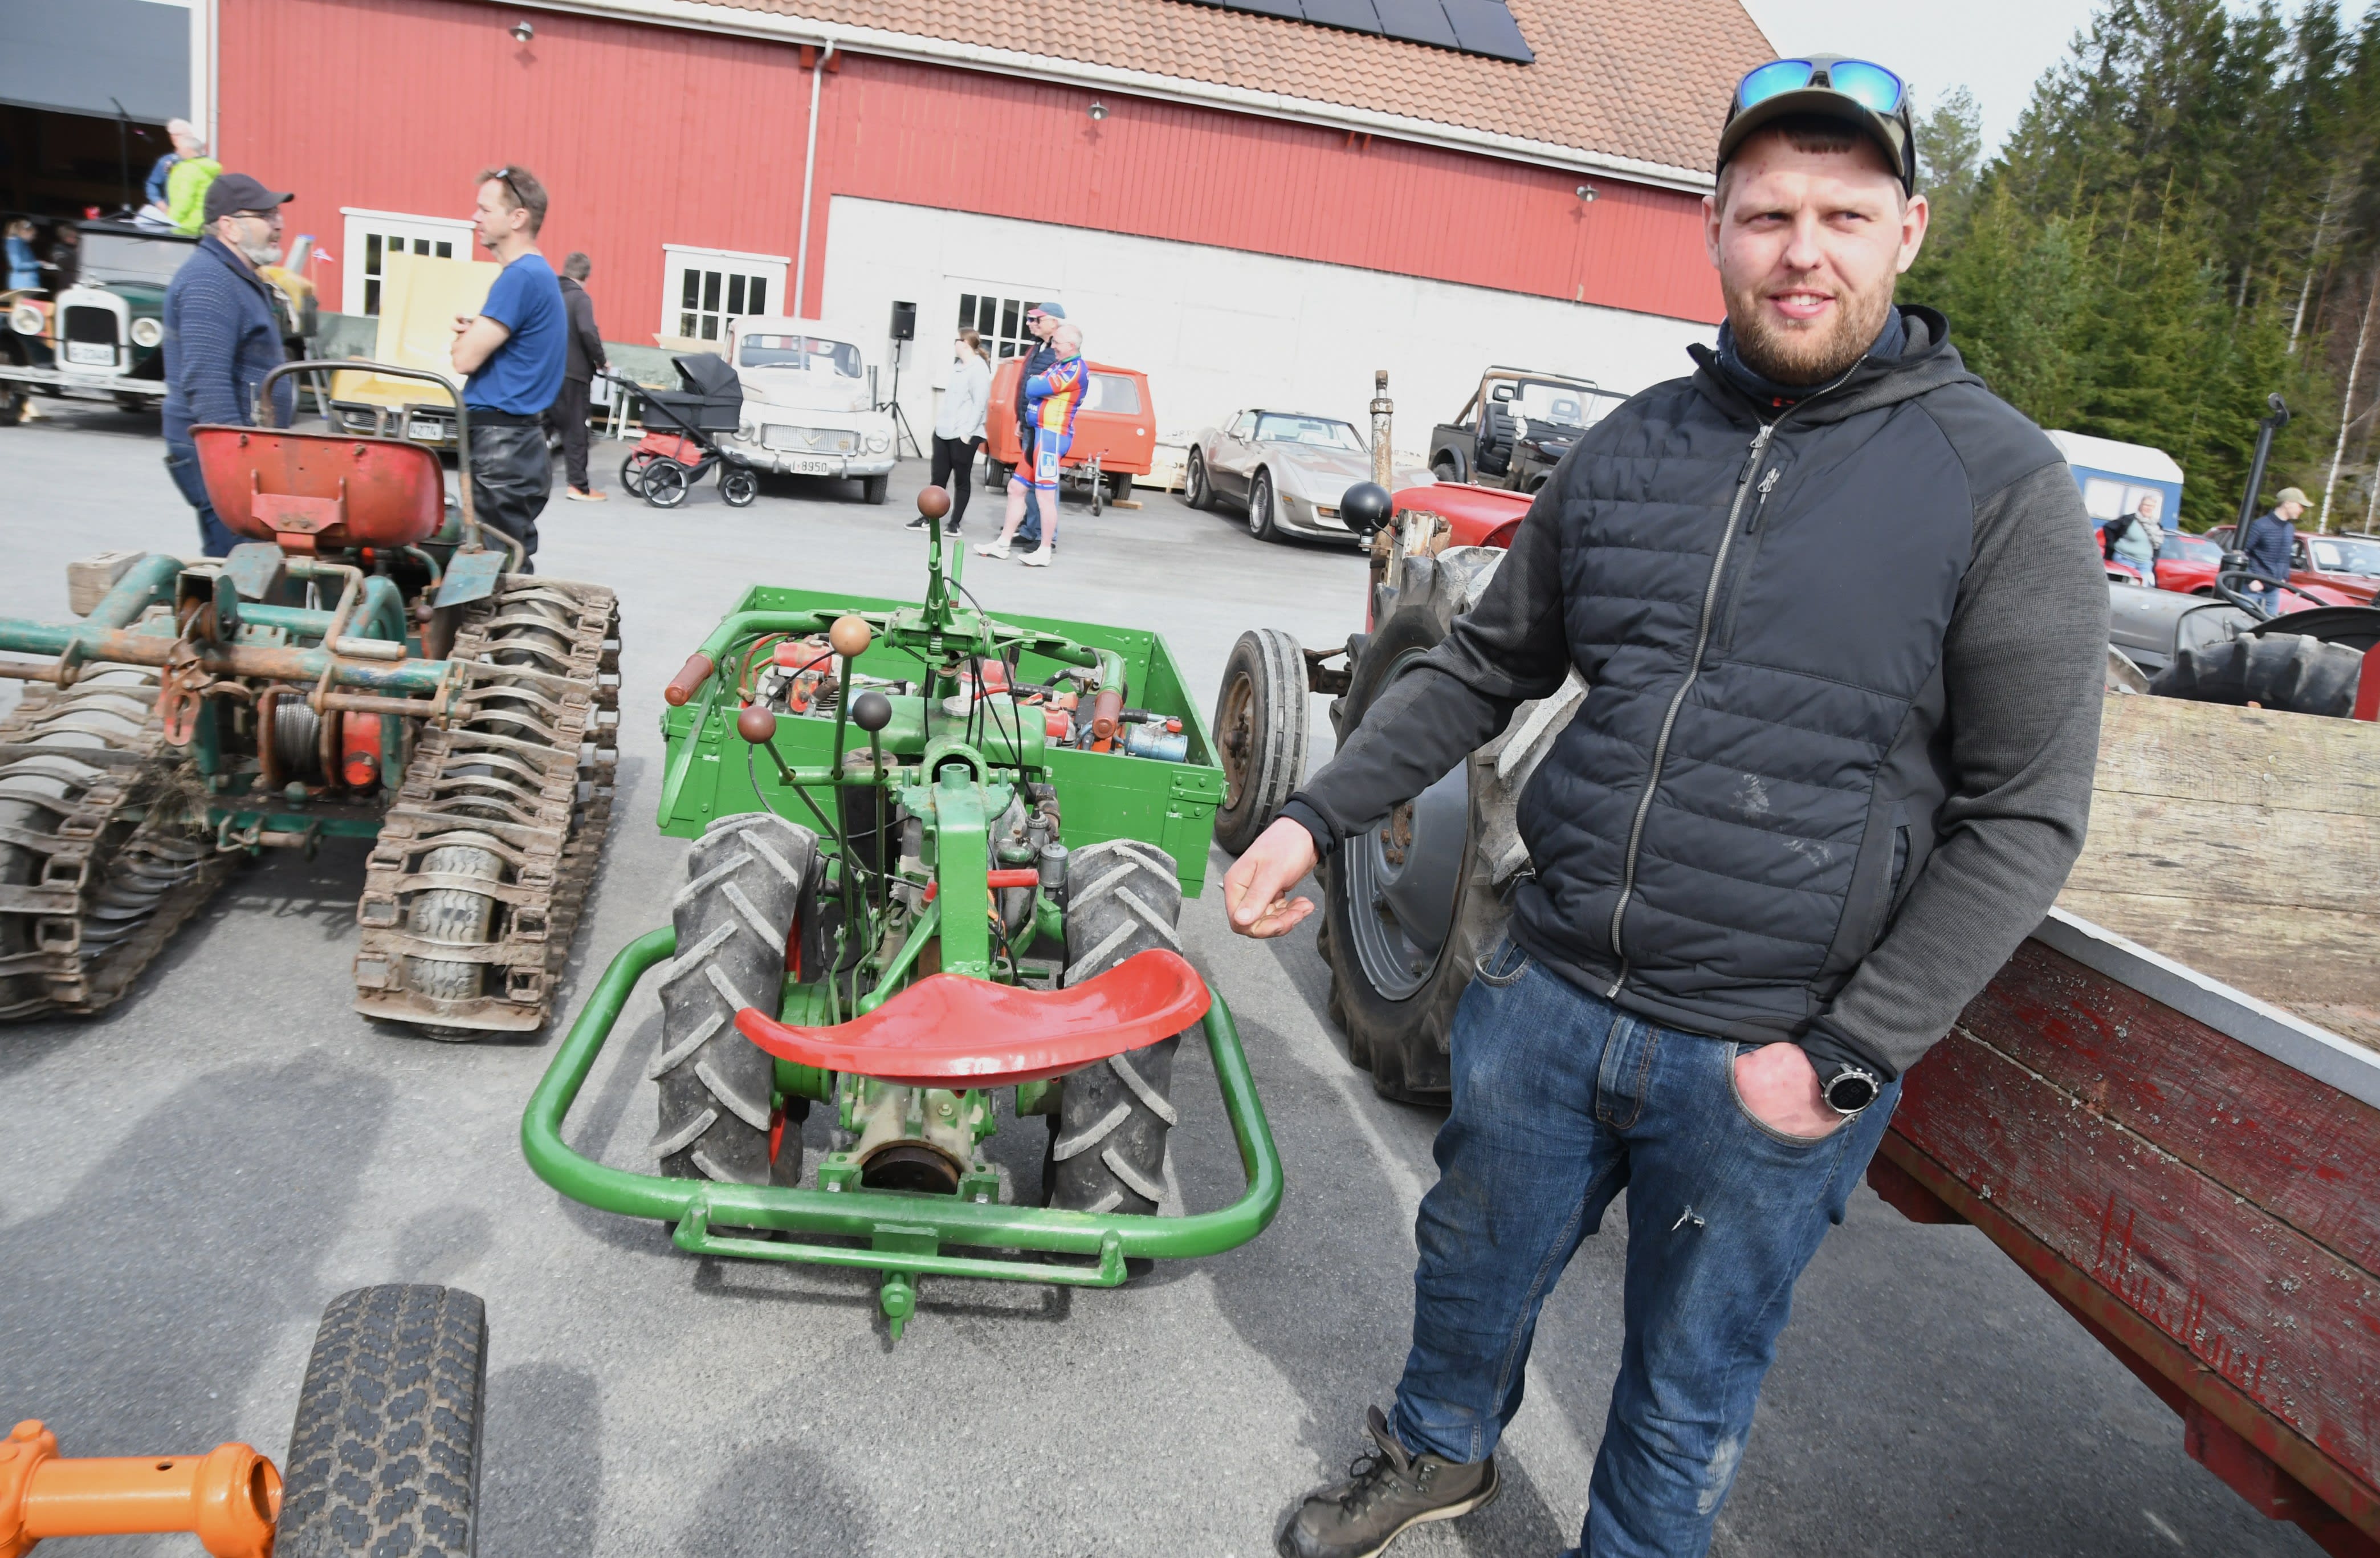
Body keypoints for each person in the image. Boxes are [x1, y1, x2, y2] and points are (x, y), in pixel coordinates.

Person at [1232, 55, 2106, 1558]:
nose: (1803, 248)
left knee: (1689, 1383)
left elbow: (2025, 816)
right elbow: (1483, 665)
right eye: (1768, 212)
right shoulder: (1638, 446)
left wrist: (1847, 1053)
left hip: (1771, 1040)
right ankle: (1436, 1453)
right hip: (1551, 989)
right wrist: (1313, 813)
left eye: (1845, 210)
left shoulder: (1998, 484)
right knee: (1470, 1265)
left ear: (1909, 230)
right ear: (1714, 228)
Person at [160, 173, 297, 556]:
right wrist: (236, 465)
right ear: (229, 227)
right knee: (239, 568)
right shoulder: (210, 281)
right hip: (220, 456)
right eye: (266, 215)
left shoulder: (235, 276)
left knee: (250, 564)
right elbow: (206, 381)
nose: (279, 223)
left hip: (236, 453)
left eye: (277, 214)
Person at [450, 165, 566, 568]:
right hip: (515, 446)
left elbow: (464, 359)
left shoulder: (521, 277)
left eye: (485, 209)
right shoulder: (535, 275)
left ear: (518, 218)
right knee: (502, 561)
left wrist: (468, 339)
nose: (475, 217)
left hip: (502, 447)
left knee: (492, 570)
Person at [979, 319, 1087, 566]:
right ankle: (1003, 543)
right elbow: (1032, 386)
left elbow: (1036, 386)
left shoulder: (1075, 369)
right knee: (1016, 488)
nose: (1054, 346)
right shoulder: (1059, 365)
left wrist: (1038, 387)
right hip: (1039, 434)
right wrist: (1038, 387)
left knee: (1045, 497)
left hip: (1052, 437)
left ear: (1071, 345)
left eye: (1058, 343)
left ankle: (1045, 549)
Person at [549, 251, 609, 502]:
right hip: (574, 374)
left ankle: (524, 476)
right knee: (575, 431)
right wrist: (602, 359)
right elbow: (587, 330)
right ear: (586, 275)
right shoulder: (579, 298)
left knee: (541, 426)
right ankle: (578, 486)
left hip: (546, 373)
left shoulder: (550, 295)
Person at [918, 328, 990, 533]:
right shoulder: (958, 367)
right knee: (938, 478)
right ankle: (928, 518)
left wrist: (966, 434)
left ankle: (954, 524)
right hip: (944, 431)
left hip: (964, 434)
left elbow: (979, 405)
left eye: (957, 340)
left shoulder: (979, 369)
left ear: (965, 343)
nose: (954, 344)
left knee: (961, 480)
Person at [2241, 486, 2306, 615]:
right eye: (2300, 505)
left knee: (2270, 629)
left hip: (2274, 589)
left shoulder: (2290, 528)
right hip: (2254, 589)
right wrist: (2251, 580)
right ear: (2287, 503)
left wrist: (2284, 577)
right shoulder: (2260, 525)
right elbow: (2241, 554)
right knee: (2243, 625)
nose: (2302, 510)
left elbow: (2285, 557)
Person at [141, 120, 203, 217]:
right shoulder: (166, 161)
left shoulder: (202, 163)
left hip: (194, 218)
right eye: (173, 135)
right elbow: (152, 184)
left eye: (179, 135)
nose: (175, 137)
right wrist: (159, 202)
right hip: (171, 216)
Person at [164, 142, 222, 237]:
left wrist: (169, 222)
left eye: (179, 148)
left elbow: (184, 200)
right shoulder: (205, 167)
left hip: (186, 227)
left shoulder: (189, 169)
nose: (177, 152)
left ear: (189, 150)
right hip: (203, 224)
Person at [2105, 495, 2158, 577]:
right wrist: (2112, 545)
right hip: (2125, 560)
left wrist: (2153, 561)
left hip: (2145, 564)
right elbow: (2108, 528)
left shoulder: (2156, 526)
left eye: (2151, 506)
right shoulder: (2129, 520)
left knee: (2143, 589)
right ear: (2140, 506)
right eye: (2146, 505)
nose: (2148, 508)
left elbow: (2157, 547)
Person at [4, 219, 38, 292]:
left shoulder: (23, 244)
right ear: (24, 232)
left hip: (27, 283)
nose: (34, 238)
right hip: (22, 284)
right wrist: (38, 264)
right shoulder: (13, 243)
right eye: (33, 235)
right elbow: (17, 265)